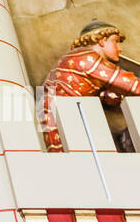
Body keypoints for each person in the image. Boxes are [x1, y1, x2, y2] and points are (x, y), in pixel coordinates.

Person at [40, 20, 140, 153]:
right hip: (66, 121)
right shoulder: (87, 58)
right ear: (102, 41)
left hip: (61, 120)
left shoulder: (75, 58)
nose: (119, 48)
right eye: (115, 41)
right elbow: (132, 85)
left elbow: (106, 95)